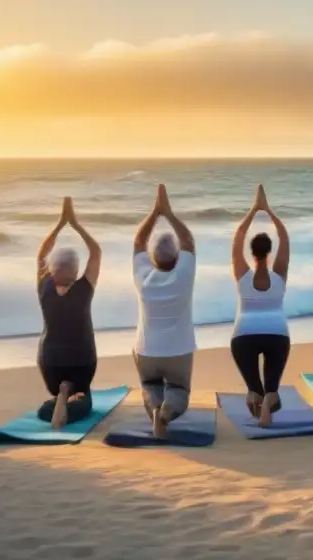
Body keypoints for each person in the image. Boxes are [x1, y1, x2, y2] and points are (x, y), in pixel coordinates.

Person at [132, 184, 198, 438]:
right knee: (179, 388)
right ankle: (168, 410)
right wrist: (169, 214)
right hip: (178, 350)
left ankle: (155, 405)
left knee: (149, 384)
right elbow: (188, 241)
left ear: (152, 257)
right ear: (178, 257)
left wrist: (154, 213)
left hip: (147, 349)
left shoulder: (143, 278)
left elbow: (138, 241)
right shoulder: (184, 274)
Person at [35, 197, 101, 429]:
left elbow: (41, 254)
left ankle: (59, 393)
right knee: (86, 400)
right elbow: (96, 252)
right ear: (75, 269)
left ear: (52, 268)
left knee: (45, 411)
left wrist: (60, 224)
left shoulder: (44, 286)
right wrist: (75, 223)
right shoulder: (84, 289)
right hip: (82, 362)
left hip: (50, 364)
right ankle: (70, 392)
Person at [230, 184, 291, 427]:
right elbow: (284, 238)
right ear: (270, 251)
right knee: (273, 388)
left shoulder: (243, 275)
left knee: (254, 385)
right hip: (277, 334)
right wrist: (269, 211)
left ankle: (254, 394)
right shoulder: (279, 275)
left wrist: (254, 209)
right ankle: (269, 401)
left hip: (244, 336)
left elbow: (237, 238)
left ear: (251, 252)